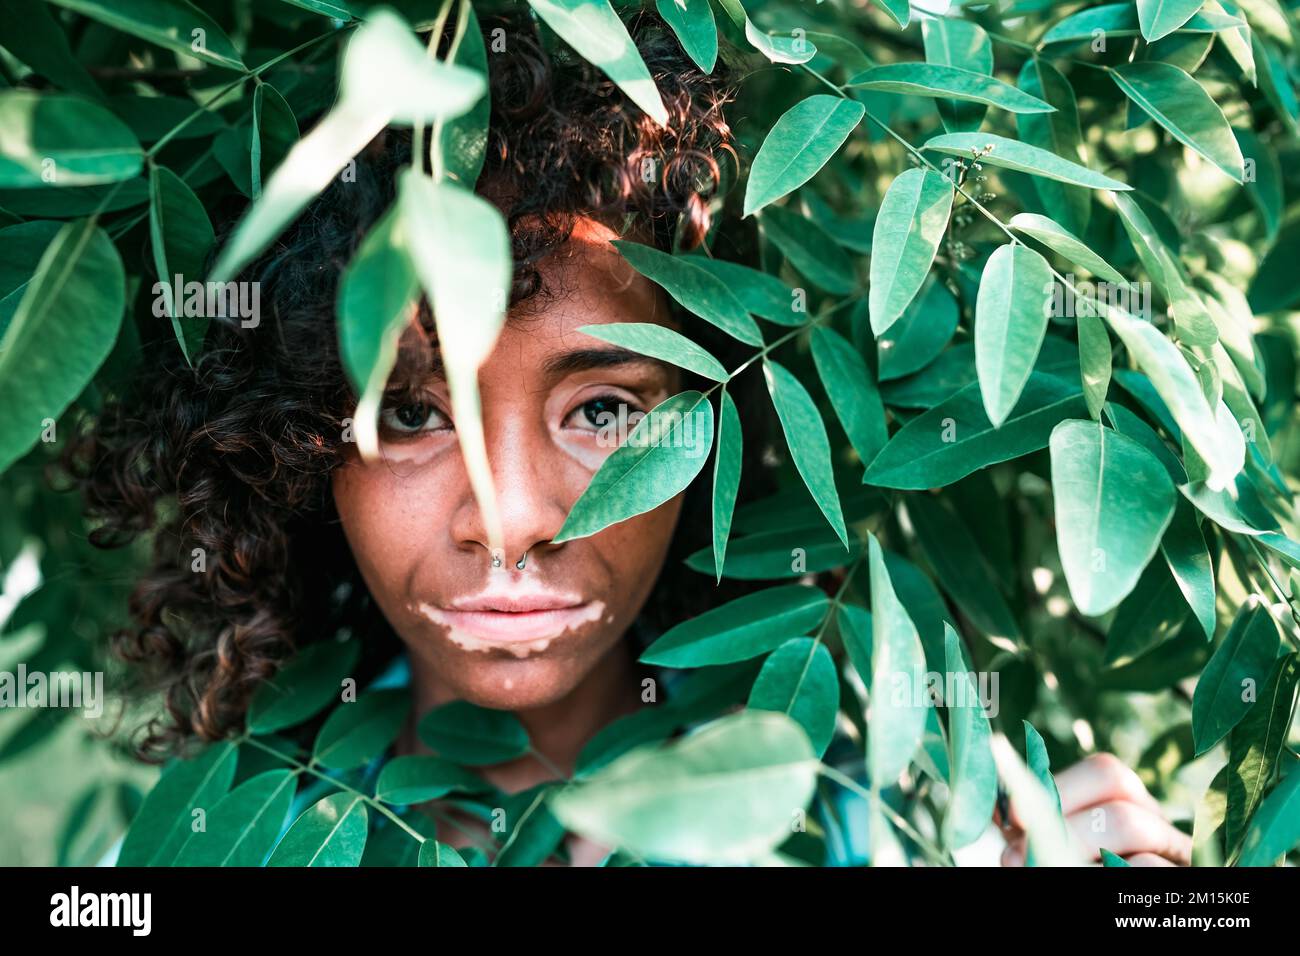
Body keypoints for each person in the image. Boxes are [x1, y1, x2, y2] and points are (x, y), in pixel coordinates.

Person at [65, 8, 1190, 867]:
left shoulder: (882, 820)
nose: (510, 517)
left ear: (728, 416)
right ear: (294, 446)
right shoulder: (216, 837)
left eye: (604, 410)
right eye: (411, 412)